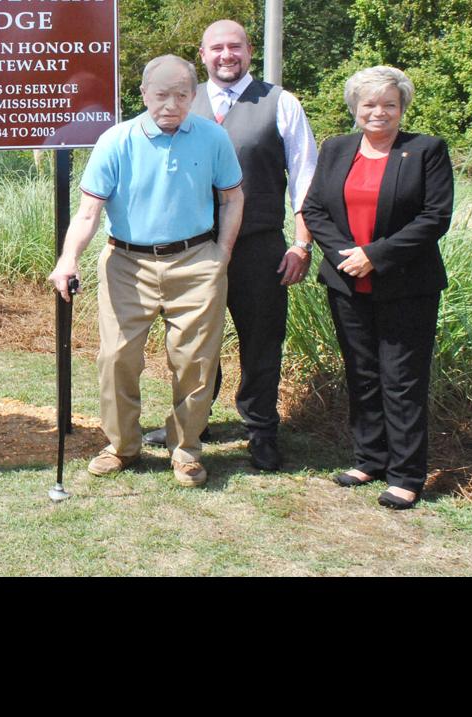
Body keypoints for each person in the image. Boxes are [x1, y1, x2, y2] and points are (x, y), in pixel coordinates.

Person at [50, 55, 243, 489]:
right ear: (143, 94)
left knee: (194, 362)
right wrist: (68, 259)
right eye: (160, 95)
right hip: (126, 263)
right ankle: (122, 446)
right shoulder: (116, 140)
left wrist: (222, 254)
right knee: (116, 357)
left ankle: (186, 449)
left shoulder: (213, 138)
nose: (170, 104)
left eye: (180, 95)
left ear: (193, 96)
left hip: (196, 261)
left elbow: (233, 198)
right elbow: (87, 213)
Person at [138, 20, 316, 473]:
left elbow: (305, 178)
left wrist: (301, 244)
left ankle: (261, 431)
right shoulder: (180, 100)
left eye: (234, 46)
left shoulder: (281, 103)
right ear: (202, 54)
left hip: (259, 246)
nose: (226, 55)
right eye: (217, 48)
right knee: (193, 343)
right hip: (191, 248)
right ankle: (192, 427)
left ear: (249, 50)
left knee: (262, 341)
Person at [301, 66, 452, 510]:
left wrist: (376, 255)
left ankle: (406, 475)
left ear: (402, 107)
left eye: (389, 103)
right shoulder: (336, 148)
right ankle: (369, 458)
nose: (378, 112)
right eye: (369, 104)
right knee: (362, 373)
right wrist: (347, 255)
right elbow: (314, 208)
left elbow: (435, 217)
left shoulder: (426, 151)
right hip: (347, 282)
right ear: (355, 108)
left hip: (407, 285)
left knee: (402, 379)